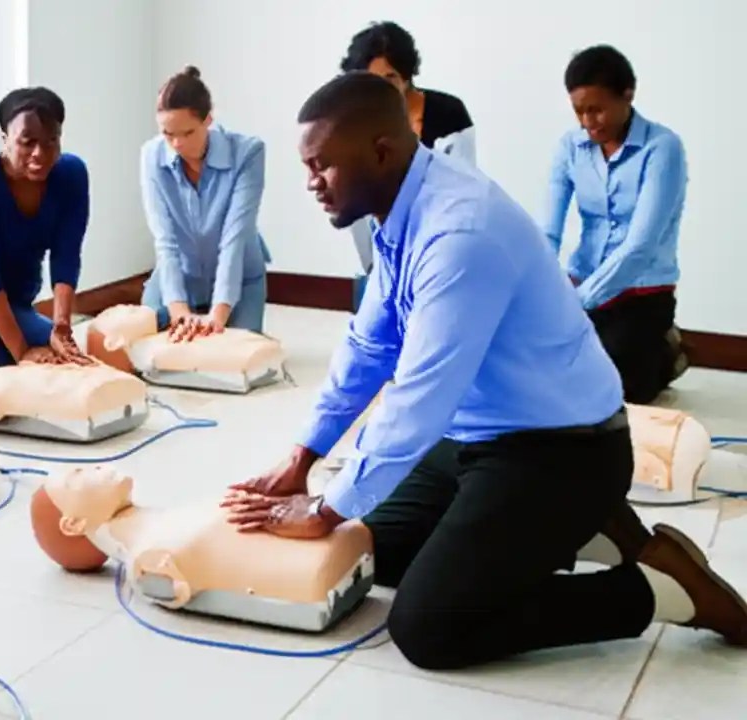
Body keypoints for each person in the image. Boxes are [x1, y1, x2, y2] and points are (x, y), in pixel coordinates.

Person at [222, 72, 746, 671]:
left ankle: (658, 588)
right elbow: (369, 346)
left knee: (428, 626)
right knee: (371, 552)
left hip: (563, 451)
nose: (312, 184)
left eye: (322, 166)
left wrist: (322, 511)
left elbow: (420, 398)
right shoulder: (400, 209)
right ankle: (585, 534)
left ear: (381, 151)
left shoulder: (459, 233)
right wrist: (301, 461)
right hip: (476, 437)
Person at [543, 45, 689, 404]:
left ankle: (666, 352)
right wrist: (542, 286)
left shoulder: (662, 148)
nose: (587, 122)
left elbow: (640, 246)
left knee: (613, 388)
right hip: (582, 281)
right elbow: (549, 231)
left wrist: (579, 303)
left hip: (640, 292)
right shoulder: (571, 146)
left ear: (628, 95)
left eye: (597, 110)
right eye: (579, 111)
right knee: (544, 372)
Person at [0, 87, 93, 370]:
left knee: (61, 353)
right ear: (5, 139)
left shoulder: (71, 175)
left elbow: (67, 255)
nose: (40, 154)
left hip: (20, 297)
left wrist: (62, 327)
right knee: (23, 368)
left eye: (51, 141)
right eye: (28, 142)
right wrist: (23, 353)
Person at [139, 66, 272, 341]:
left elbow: (235, 239)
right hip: (178, 274)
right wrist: (179, 311)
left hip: (240, 276)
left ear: (208, 119)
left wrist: (218, 316)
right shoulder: (152, 155)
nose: (176, 143)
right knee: (145, 341)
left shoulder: (248, 152)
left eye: (187, 133)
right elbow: (165, 240)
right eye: (167, 133)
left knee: (234, 351)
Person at [340, 21, 476, 277]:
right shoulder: (358, 120)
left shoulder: (449, 113)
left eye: (390, 78)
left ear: (407, 74)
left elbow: (462, 191)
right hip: (381, 257)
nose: (382, 89)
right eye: (372, 80)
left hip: (439, 248)